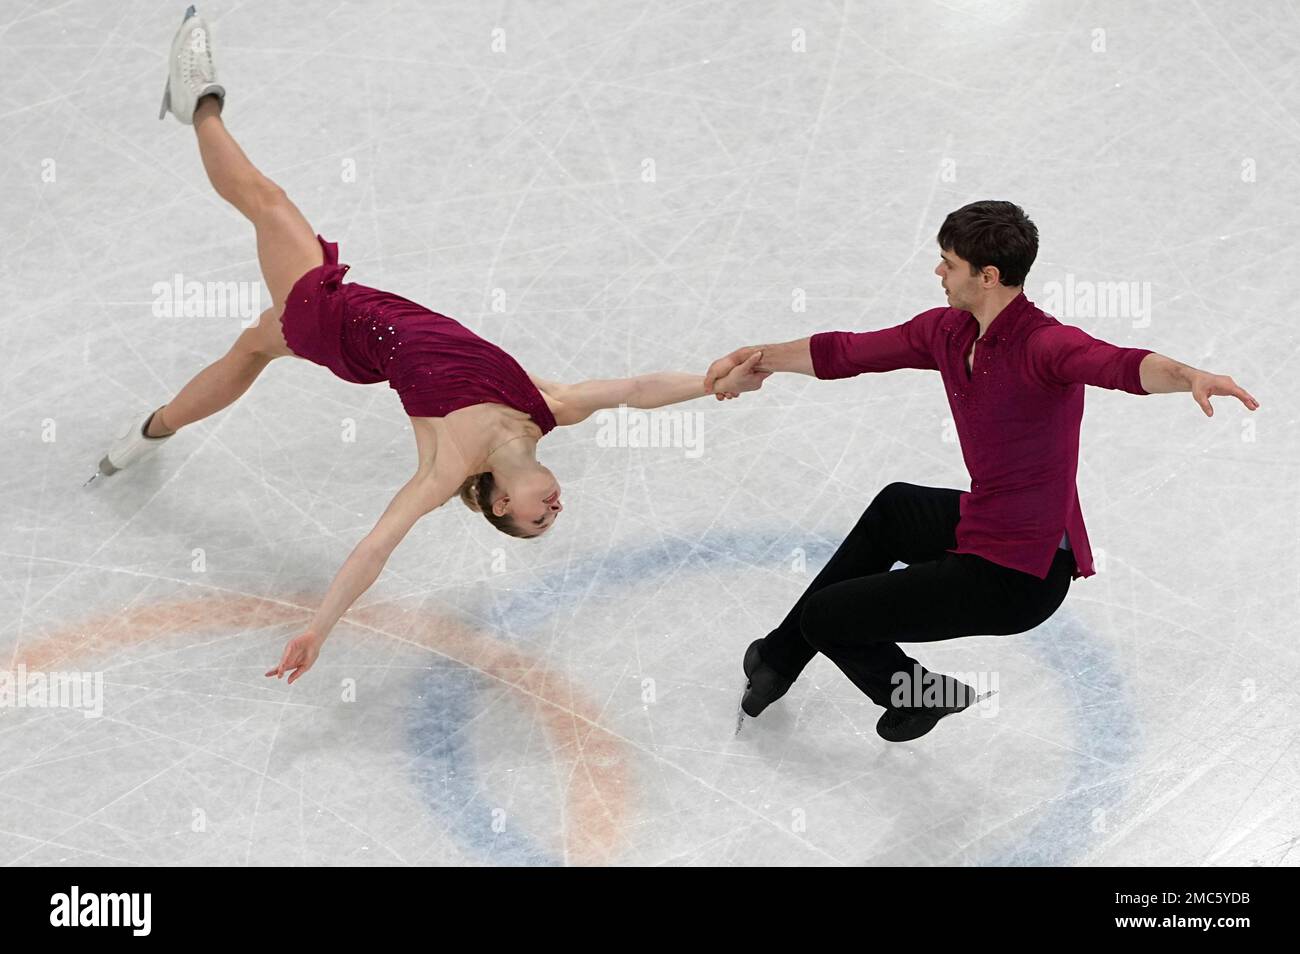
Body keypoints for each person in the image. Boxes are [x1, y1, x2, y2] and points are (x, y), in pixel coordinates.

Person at [97, 7, 765, 684]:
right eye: (553, 517)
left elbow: (376, 549)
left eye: (536, 523)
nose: (552, 513)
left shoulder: (447, 467)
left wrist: (318, 629)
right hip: (357, 319)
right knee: (249, 348)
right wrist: (713, 384)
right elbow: (633, 392)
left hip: (333, 320)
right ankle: (147, 432)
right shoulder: (550, 409)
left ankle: (199, 102)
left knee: (267, 203)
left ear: (502, 505)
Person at [705, 199, 1260, 743]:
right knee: (897, 508)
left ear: (988, 275)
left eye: (949, 262)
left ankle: (919, 695)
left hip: (1020, 574)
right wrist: (756, 357)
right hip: (987, 520)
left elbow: (1120, 364)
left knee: (828, 618)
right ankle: (778, 660)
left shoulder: (1046, 345)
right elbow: (848, 352)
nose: (938, 271)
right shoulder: (948, 331)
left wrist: (1190, 376)